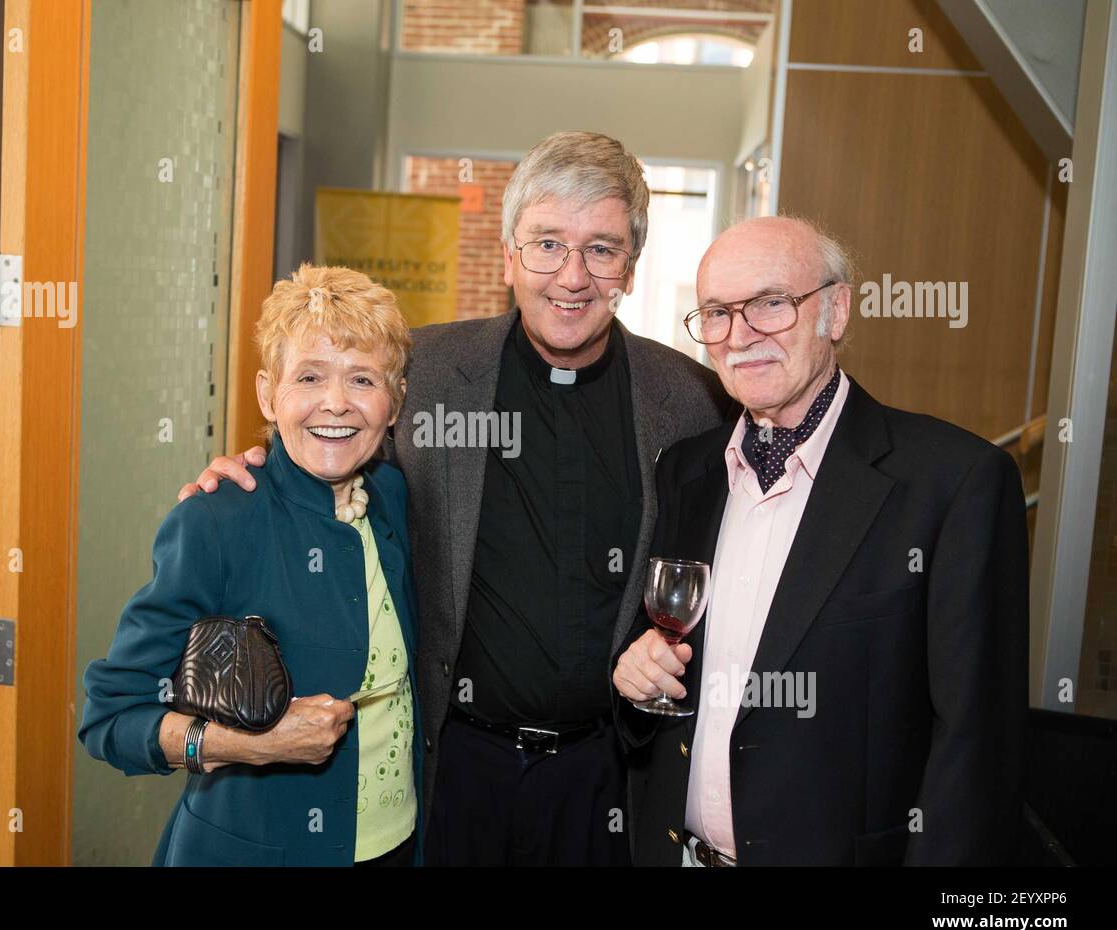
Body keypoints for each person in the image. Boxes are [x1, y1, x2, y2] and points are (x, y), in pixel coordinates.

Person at [180, 131, 731, 865]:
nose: (572, 275)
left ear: (630, 266)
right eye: (546, 244)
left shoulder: (688, 398)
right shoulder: (429, 371)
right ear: (508, 255)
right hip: (454, 766)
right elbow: (332, 434)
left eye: (601, 249)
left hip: (602, 776)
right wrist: (252, 469)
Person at [612, 216, 1028, 866]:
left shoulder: (953, 483)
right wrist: (638, 680)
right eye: (717, 312)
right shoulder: (686, 471)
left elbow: (976, 747)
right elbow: (668, 675)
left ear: (835, 310)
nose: (740, 335)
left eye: (771, 304)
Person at [79, 265, 421, 866]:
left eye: (363, 379)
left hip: (397, 848)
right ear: (268, 394)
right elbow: (111, 719)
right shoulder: (216, 520)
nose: (336, 403)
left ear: (394, 403)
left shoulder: (393, 497)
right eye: (309, 376)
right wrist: (254, 744)